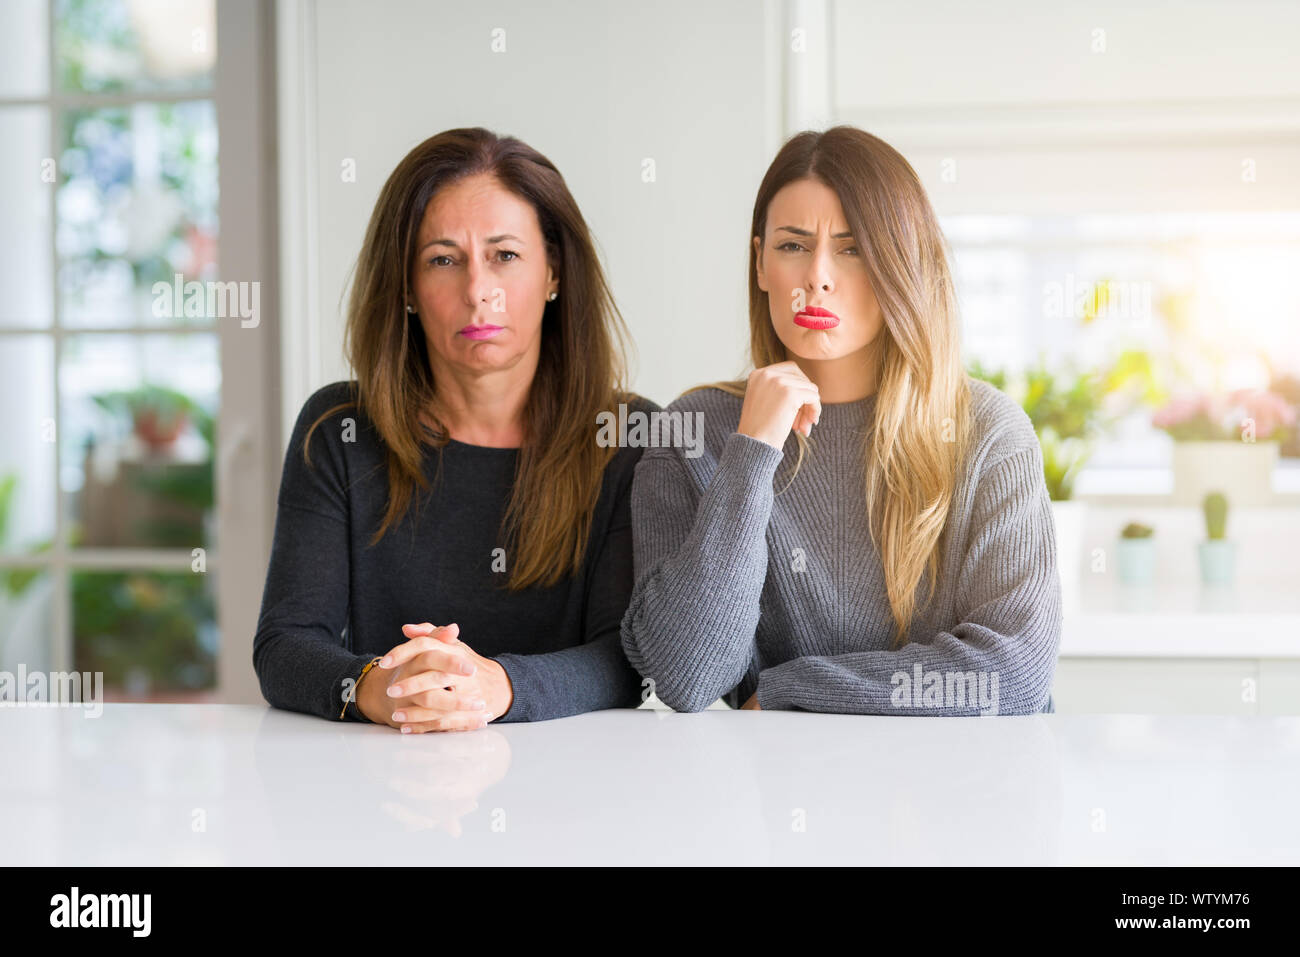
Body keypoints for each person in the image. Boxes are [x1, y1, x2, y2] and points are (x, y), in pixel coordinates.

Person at [621, 125, 1061, 716]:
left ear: (900, 266)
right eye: (793, 246)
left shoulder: (988, 434)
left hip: (958, 798)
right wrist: (752, 454)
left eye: (852, 249)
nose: (817, 278)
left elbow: (1013, 675)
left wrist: (786, 692)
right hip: (777, 796)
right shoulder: (694, 433)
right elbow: (686, 677)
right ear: (760, 263)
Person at [254, 127, 655, 731]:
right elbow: (284, 645)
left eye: (505, 255)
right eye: (444, 259)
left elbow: (626, 659)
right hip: (382, 775)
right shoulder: (338, 431)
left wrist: (496, 687)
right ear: (408, 289)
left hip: (574, 789)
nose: (477, 292)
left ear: (554, 275)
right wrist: (377, 686)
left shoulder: (626, 435)